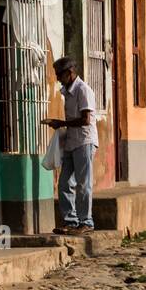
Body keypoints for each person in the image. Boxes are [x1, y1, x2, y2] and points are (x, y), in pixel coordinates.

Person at [43, 56, 98, 234]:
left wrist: (61, 123)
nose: (58, 78)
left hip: (84, 141)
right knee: (65, 183)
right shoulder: (67, 91)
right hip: (72, 142)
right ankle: (71, 221)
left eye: (60, 74)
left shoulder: (83, 90)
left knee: (83, 184)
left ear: (70, 73)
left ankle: (86, 221)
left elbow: (85, 120)